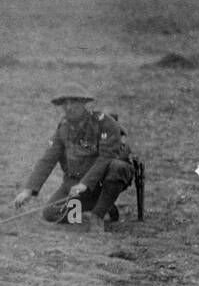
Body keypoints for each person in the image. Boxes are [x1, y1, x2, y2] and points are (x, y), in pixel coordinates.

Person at [11, 89, 134, 231]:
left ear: (84, 104)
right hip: (75, 181)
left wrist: (85, 184)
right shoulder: (63, 128)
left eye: (74, 102)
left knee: (118, 167)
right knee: (51, 213)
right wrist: (28, 190)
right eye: (65, 104)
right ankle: (104, 205)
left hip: (103, 179)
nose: (69, 107)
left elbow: (106, 157)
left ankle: (98, 215)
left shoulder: (105, 123)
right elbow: (48, 159)